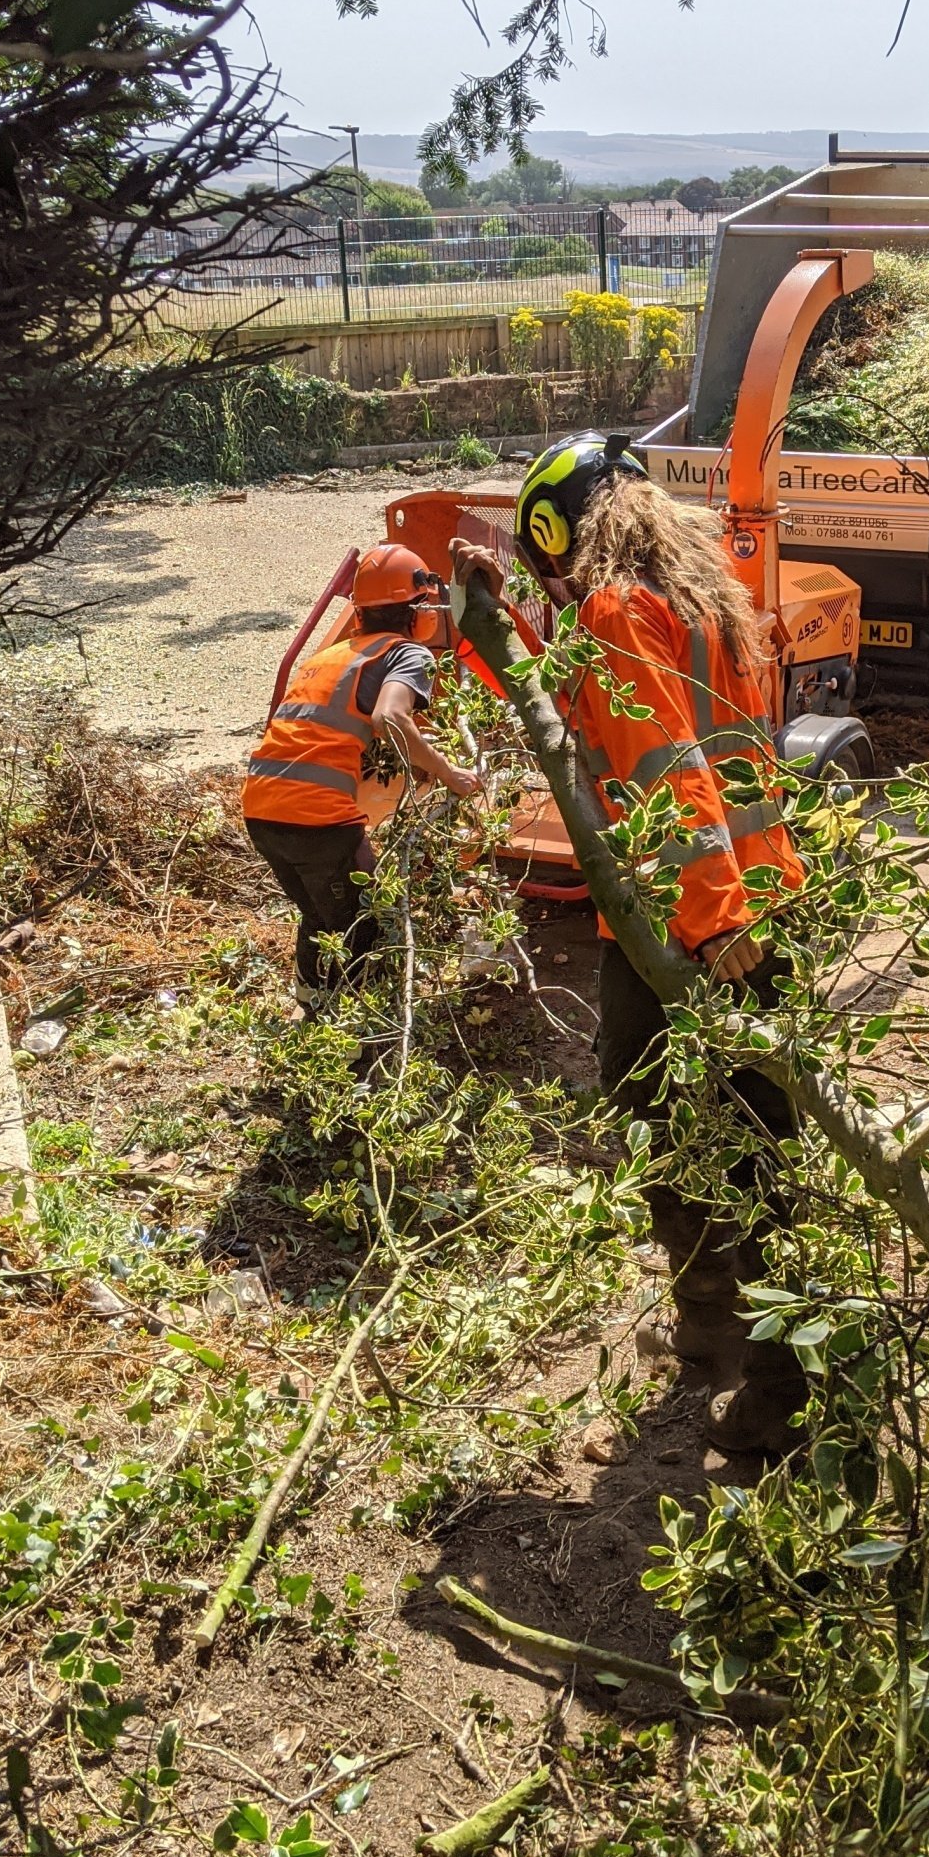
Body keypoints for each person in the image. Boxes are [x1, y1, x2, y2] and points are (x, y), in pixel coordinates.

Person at [455, 433, 809, 1461]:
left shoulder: (617, 612)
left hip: (691, 924)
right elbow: (571, 722)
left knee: (686, 1121)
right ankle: (718, 1322)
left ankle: (772, 1379)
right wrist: (490, 622)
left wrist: (713, 916)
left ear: (568, 533)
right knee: (755, 1133)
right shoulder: (712, 606)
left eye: (548, 563)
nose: (555, 585)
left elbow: (669, 765)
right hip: (751, 905)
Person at [243, 541, 482, 997]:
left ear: (360, 611)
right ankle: (358, 1045)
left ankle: (312, 1007)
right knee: (367, 927)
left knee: (321, 916)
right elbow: (391, 718)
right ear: (418, 611)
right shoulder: (407, 655)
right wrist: (451, 773)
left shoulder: (330, 657)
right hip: (315, 818)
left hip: (261, 809)